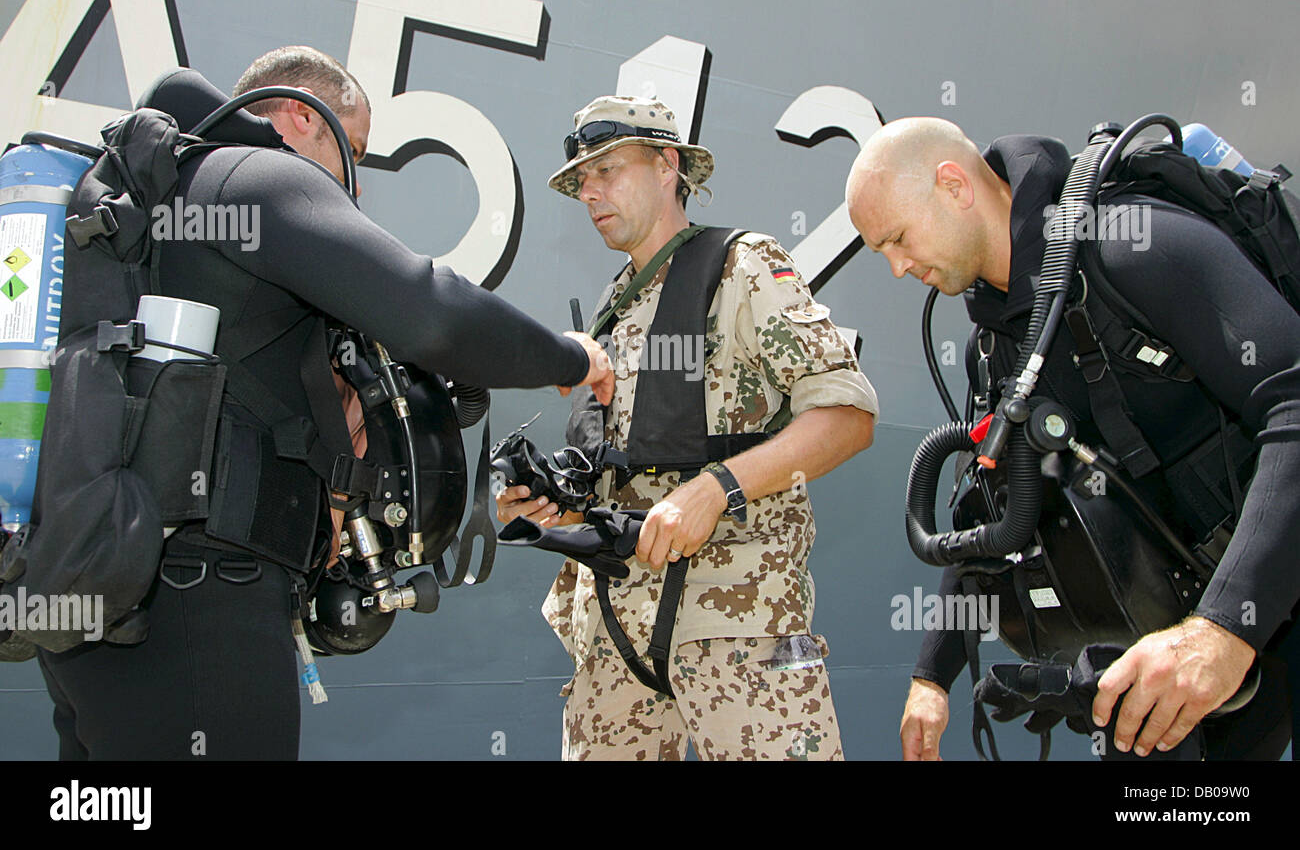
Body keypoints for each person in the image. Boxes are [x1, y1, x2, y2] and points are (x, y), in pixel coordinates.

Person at [35, 47, 614, 761]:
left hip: (95, 598)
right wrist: (569, 357)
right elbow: (433, 314)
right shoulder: (254, 178)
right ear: (301, 116)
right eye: (356, 152)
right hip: (201, 605)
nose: (357, 189)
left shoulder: (150, 209)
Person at [845, 116, 1300, 760]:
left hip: (1259, 584)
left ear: (954, 185)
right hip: (1188, 625)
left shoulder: (1132, 246)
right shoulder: (997, 350)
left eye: (895, 239)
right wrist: (931, 678)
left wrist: (1223, 631)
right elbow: (991, 526)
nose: (896, 268)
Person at [495, 96, 878, 760]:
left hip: (736, 626)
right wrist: (548, 506)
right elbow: (621, 475)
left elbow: (847, 415)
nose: (590, 193)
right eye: (581, 182)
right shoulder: (614, 310)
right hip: (613, 636)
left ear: (667, 164)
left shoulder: (743, 267)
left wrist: (716, 487)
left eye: (607, 171)